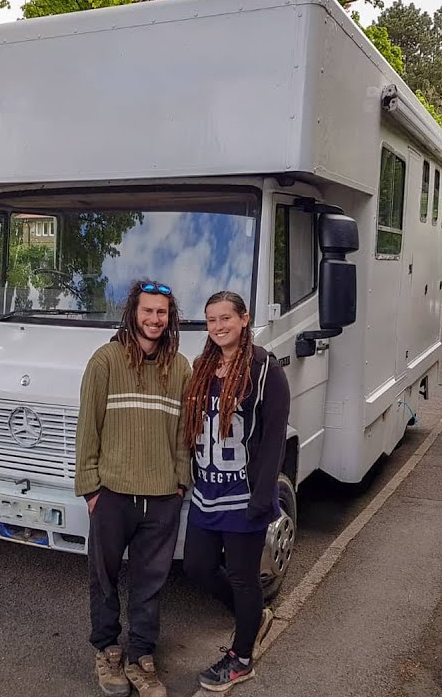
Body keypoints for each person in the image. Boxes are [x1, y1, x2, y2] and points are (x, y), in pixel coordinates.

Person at [76, 279, 193, 697]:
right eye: (148, 311)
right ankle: (107, 651)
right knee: (103, 579)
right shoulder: (105, 360)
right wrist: (91, 488)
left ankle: (141, 655)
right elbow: (87, 427)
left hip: (162, 498)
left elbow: (184, 433)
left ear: (169, 317)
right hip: (112, 495)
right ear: (133, 313)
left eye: (162, 312)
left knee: (150, 583)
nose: (154, 319)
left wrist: (180, 482)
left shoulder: (180, 367)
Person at [180, 290, 290, 692]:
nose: (218, 326)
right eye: (211, 320)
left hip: (243, 496)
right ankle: (253, 617)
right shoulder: (203, 366)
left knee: (244, 578)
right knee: (197, 566)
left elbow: (275, 436)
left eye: (226, 318)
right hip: (207, 492)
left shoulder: (265, 370)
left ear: (244, 319)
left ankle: (242, 658)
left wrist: (262, 498)